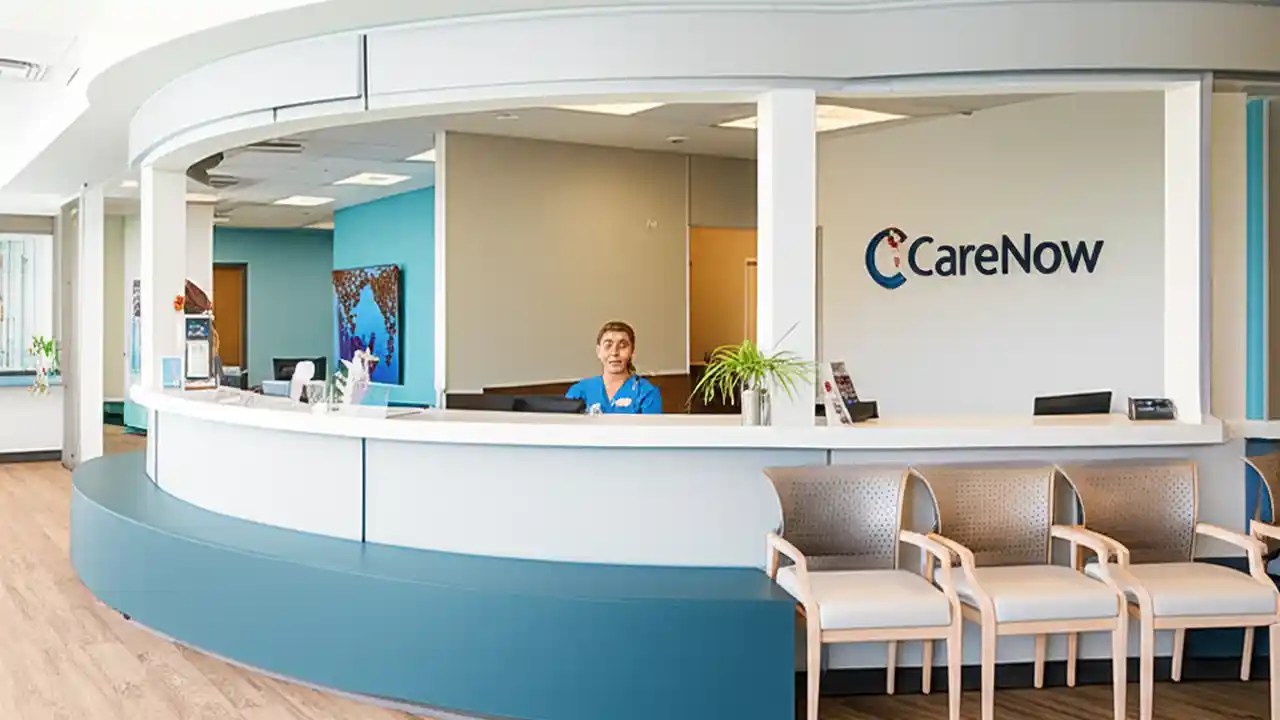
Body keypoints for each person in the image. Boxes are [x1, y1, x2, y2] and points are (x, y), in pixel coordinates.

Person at [566, 321, 662, 414]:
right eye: (608, 345)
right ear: (598, 351)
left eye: (622, 346)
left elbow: (652, 430)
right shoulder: (579, 391)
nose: (614, 352)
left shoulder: (646, 393)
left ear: (632, 351)